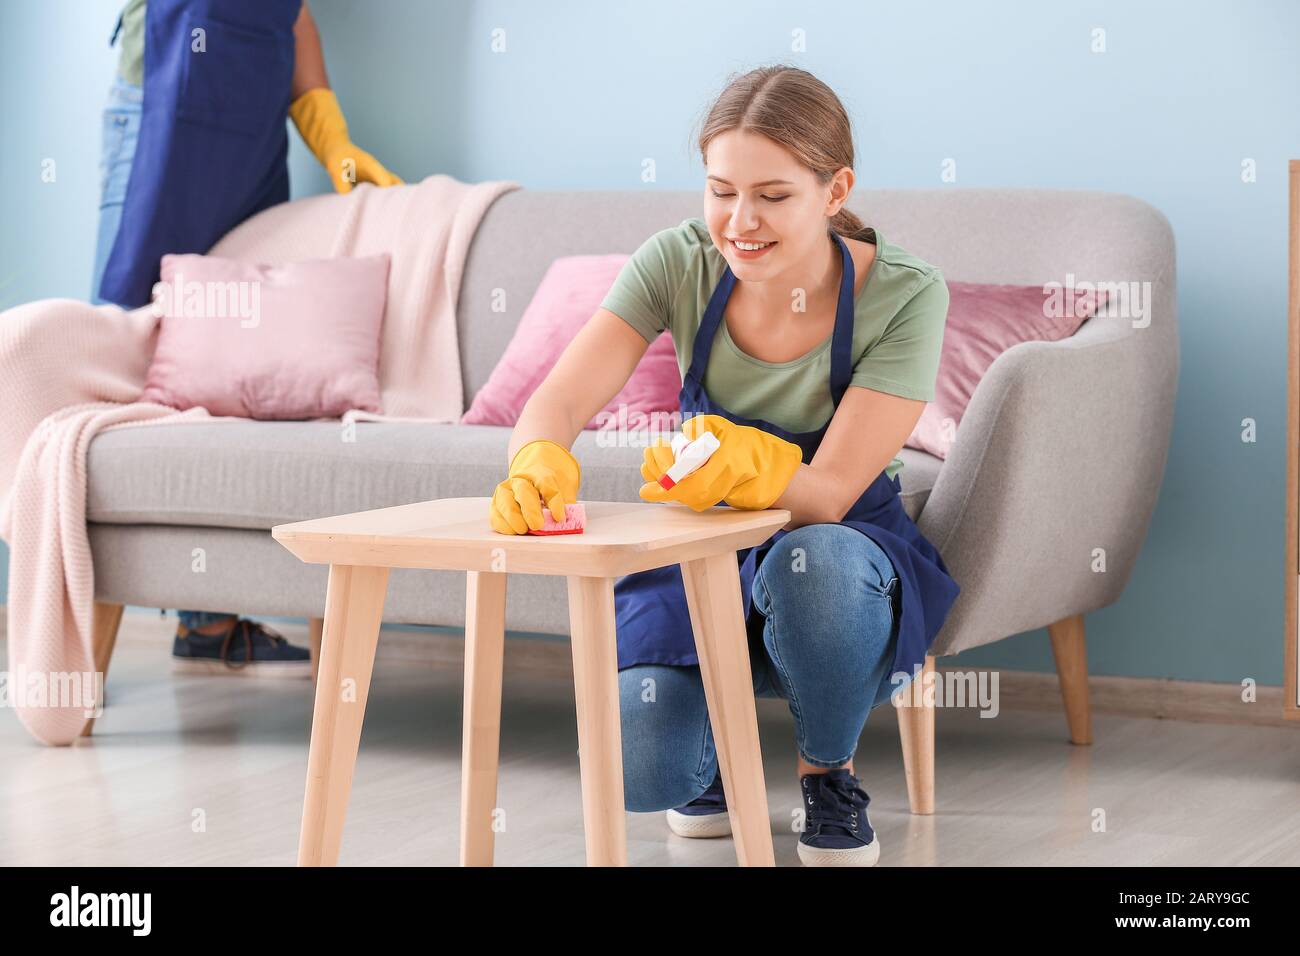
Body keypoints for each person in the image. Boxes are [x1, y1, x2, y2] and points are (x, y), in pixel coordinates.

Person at [488, 66, 961, 866]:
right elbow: (559, 400)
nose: (740, 222)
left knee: (816, 565)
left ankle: (827, 772)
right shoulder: (678, 262)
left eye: (773, 196)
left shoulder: (906, 295)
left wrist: (751, 460)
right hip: (701, 553)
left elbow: (832, 490)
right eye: (721, 191)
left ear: (834, 188)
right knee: (637, 771)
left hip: (835, 555)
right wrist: (537, 460)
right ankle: (710, 758)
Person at [92, 0, 402, 676]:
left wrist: (330, 134)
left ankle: (209, 619)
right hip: (161, 109)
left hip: (253, 132)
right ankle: (68, 617)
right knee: (121, 342)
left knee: (233, 344)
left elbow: (293, 17)